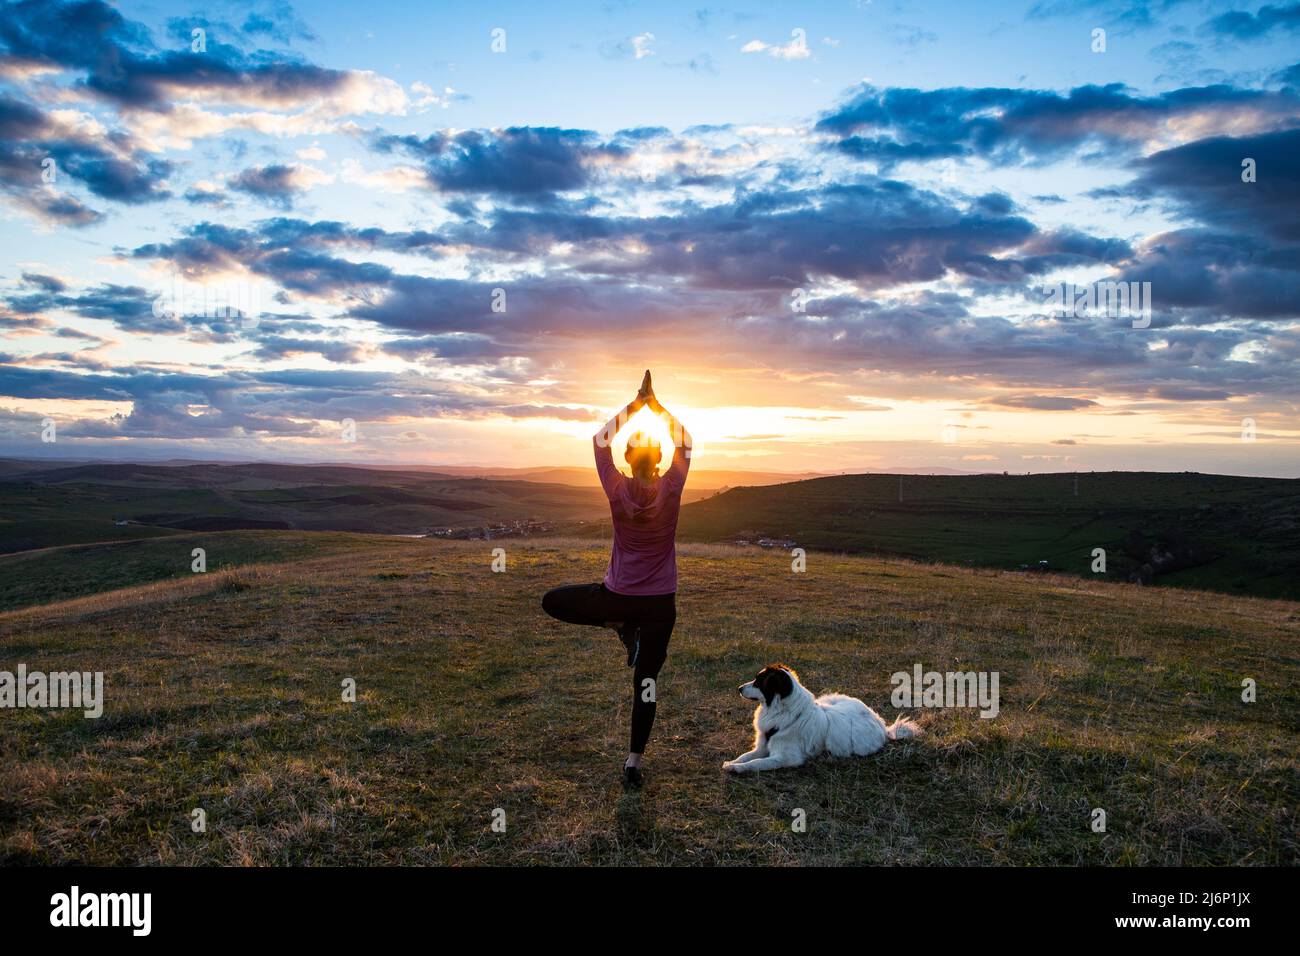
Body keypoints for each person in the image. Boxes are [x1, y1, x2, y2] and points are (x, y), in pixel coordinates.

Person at [540, 370, 692, 789]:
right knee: (646, 682)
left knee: (553, 601)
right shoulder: (674, 487)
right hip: (661, 604)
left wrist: (635, 405)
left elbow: (598, 441)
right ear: (659, 460)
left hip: (618, 596)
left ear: (628, 460)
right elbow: (687, 442)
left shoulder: (615, 489)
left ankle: (619, 625)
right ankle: (633, 762)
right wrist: (657, 406)